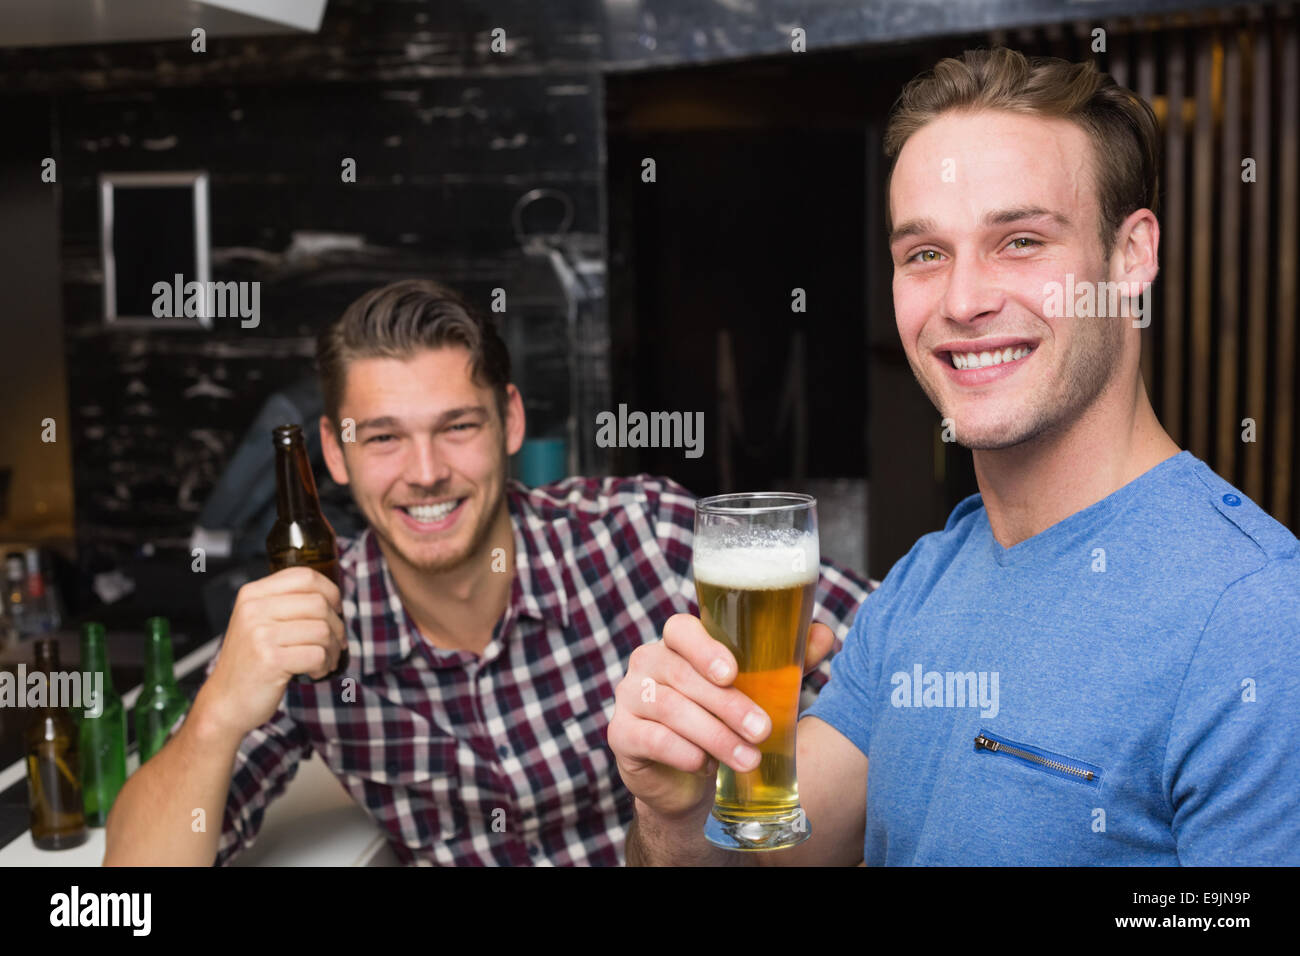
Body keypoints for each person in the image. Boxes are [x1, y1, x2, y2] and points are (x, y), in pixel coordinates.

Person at [612, 47, 1300, 866]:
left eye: (1020, 241)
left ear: (1132, 257)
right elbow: (771, 857)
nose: (964, 301)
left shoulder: (1256, 618)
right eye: (925, 255)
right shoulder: (920, 585)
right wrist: (674, 811)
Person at [103, 279, 871, 866]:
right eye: (383, 439)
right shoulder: (320, 631)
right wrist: (217, 713)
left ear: (509, 420)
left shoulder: (640, 532)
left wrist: (770, 758)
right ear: (334, 454)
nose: (426, 472)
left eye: (457, 427)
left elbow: (894, 645)